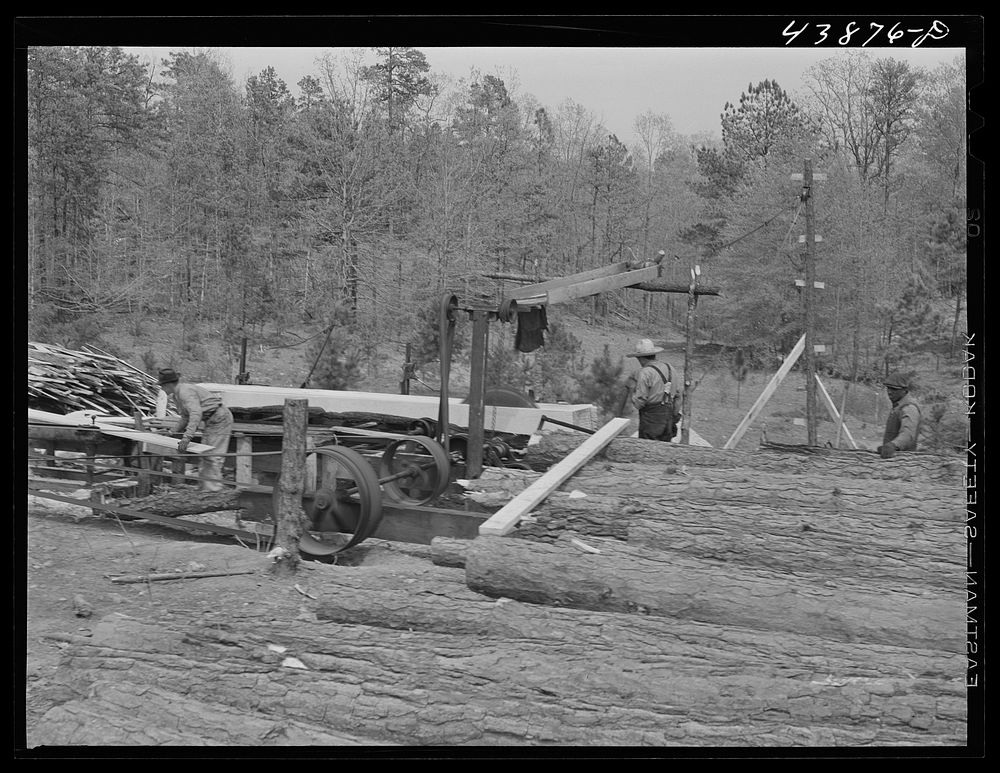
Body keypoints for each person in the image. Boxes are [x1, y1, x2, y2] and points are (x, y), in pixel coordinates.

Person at [157, 368, 234, 491]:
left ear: (169, 384)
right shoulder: (177, 396)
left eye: (162, 386)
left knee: (213, 456)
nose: (161, 389)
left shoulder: (185, 392)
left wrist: (187, 438)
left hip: (220, 418)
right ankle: (206, 489)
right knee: (205, 455)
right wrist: (171, 432)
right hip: (211, 420)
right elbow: (185, 417)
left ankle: (214, 491)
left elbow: (195, 415)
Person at [625, 338, 680, 441]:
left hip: (651, 421)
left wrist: (631, 392)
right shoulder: (670, 368)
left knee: (647, 450)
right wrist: (674, 417)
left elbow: (640, 402)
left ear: (640, 358)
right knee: (664, 451)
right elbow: (678, 397)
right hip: (668, 418)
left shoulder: (645, 372)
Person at [878, 371, 921, 459]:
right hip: (893, 460)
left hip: (904, 462)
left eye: (894, 389)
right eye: (888, 388)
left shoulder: (909, 408)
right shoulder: (897, 406)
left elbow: (908, 434)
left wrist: (893, 445)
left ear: (904, 390)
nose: (889, 392)